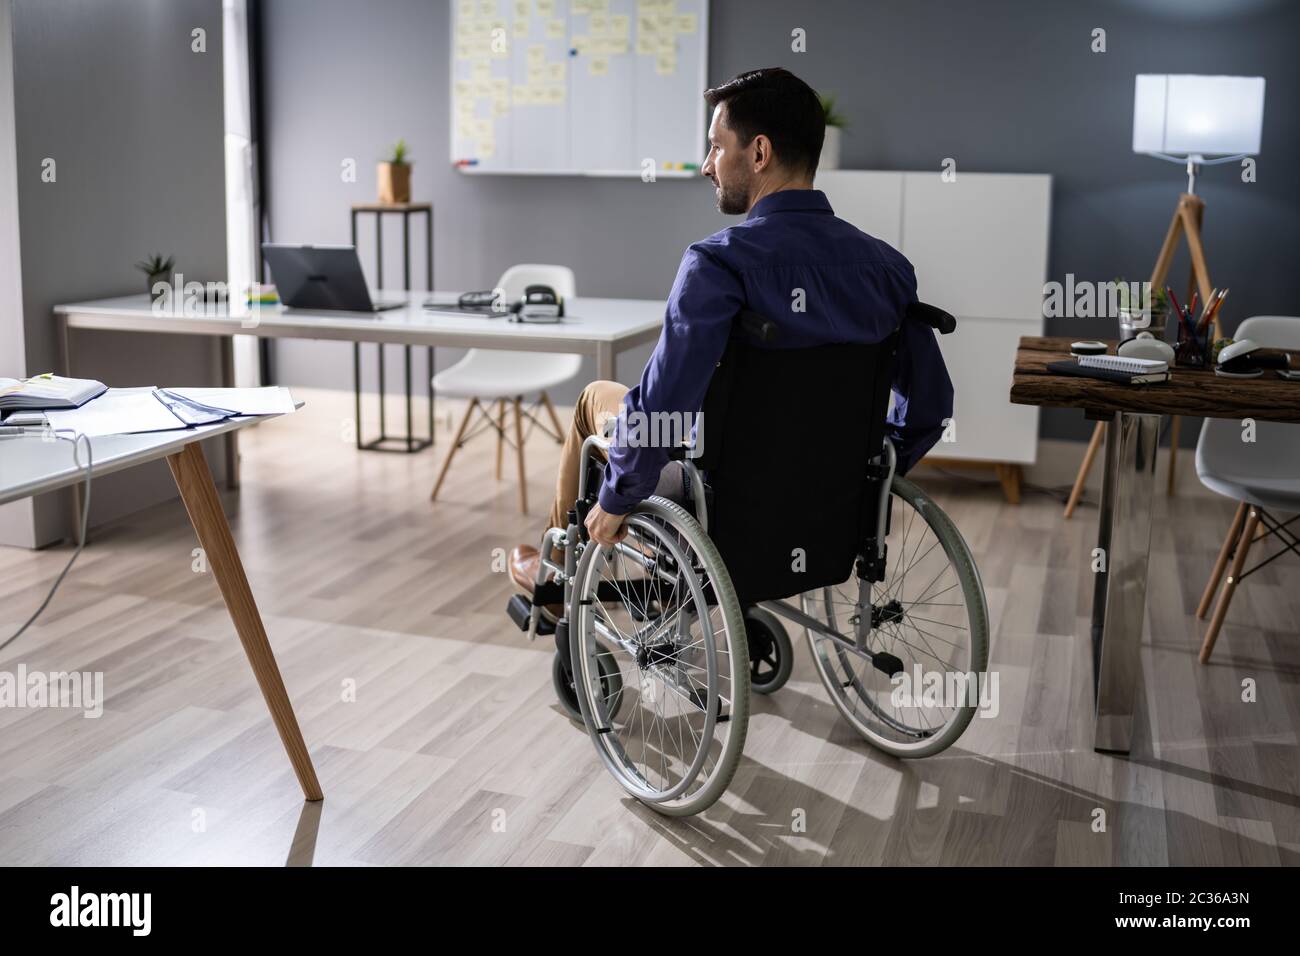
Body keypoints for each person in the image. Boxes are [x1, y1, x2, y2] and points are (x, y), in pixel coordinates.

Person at [508, 67, 954, 606]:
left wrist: (618, 496)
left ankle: (555, 574)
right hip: (828, 497)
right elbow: (928, 405)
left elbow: (666, 402)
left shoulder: (718, 264)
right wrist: (867, 474)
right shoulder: (886, 269)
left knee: (592, 401)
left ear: (759, 152)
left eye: (716, 147)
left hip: (725, 493)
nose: (706, 165)